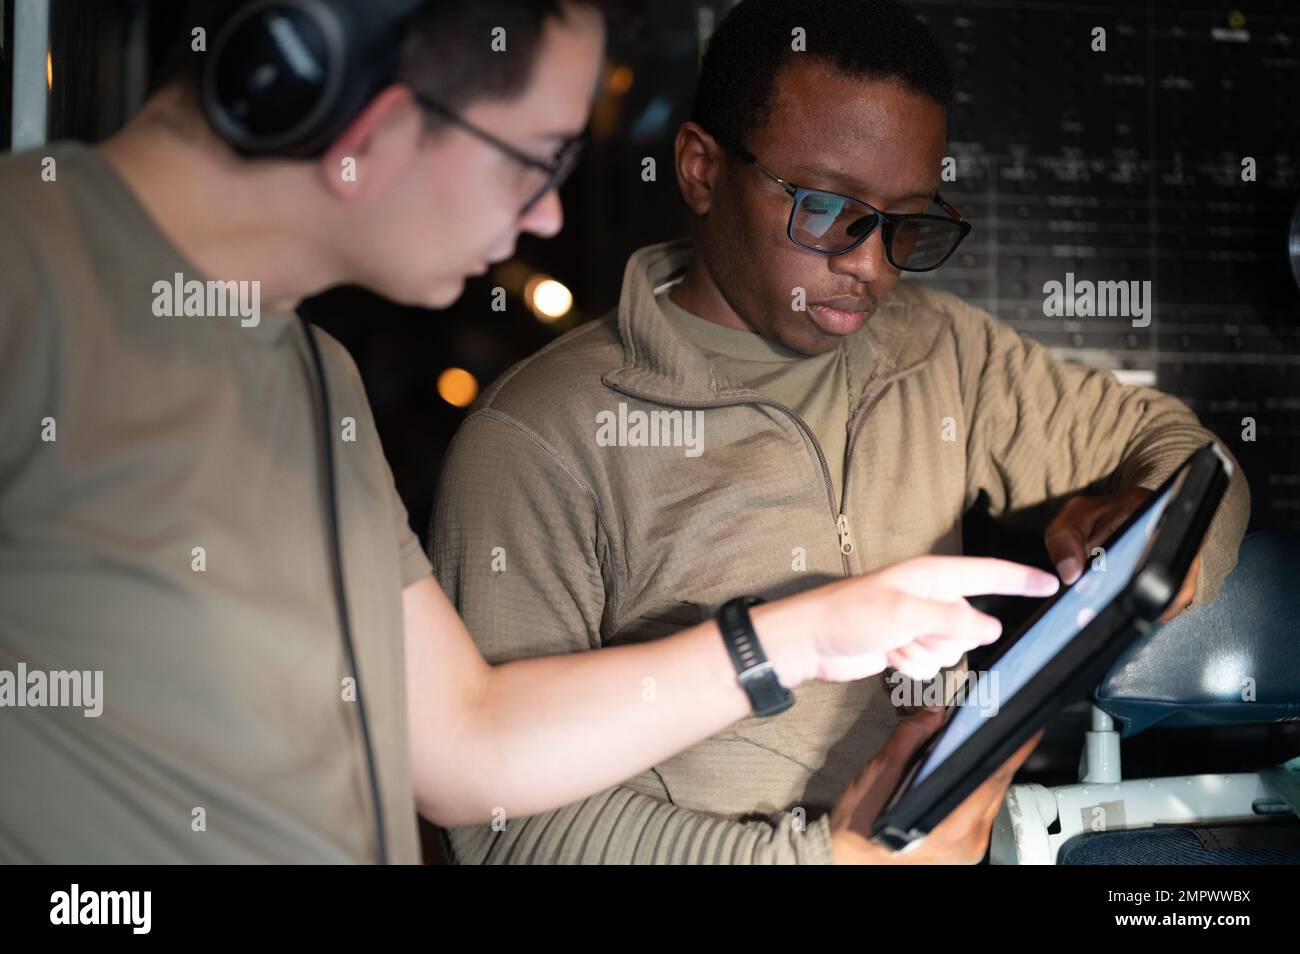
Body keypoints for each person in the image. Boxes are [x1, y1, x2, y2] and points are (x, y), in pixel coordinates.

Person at [0, 0, 1058, 863]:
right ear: (362, 116)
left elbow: (463, 743)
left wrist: (808, 634)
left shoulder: (308, 375)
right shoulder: (25, 270)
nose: (549, 217)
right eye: (533, 159)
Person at [431, 0, 1251, 863]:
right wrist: (825, 861)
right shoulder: (536, 443)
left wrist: (1160, 543)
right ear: (702, 169)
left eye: (907, 222)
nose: (869, 265)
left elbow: (1195, 458)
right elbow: (506, 827)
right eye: (826, 208)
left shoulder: (940, 352)